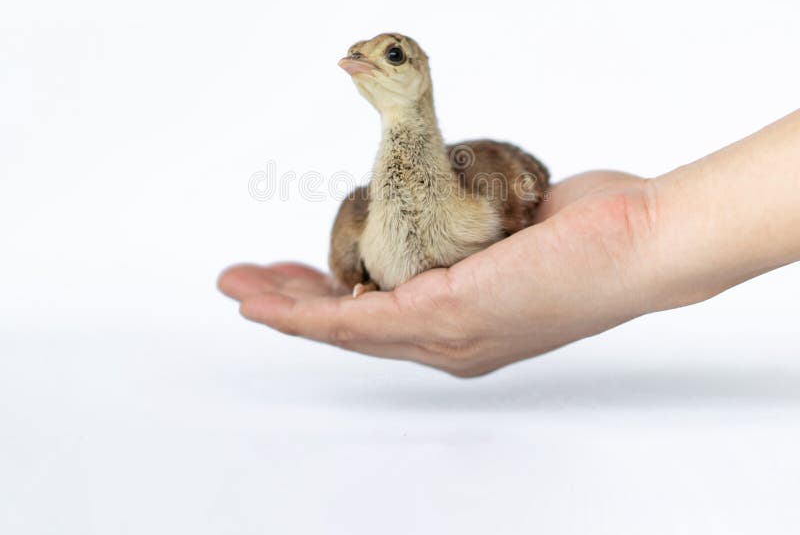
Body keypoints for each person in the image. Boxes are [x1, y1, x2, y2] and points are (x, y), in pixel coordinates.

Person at [218, 109, 800, 377]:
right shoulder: (358, 219)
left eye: (390, 56)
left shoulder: (505, 184)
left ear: (416, 74)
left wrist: (636, 234)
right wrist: (642, 229)